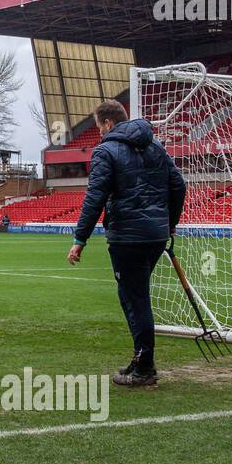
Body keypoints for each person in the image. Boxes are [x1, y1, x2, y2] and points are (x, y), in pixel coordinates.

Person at [68, 100, 186, 387]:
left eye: (99, 127)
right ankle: (140, 358)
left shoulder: (106, 150)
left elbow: (95, 196)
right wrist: (169, 222)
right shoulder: (155, 146)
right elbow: (179, 185)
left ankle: (145, 367)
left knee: (135, 299)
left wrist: (79, 238)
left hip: (128, 236)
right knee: (133, 296)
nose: (98, 133)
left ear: (108, 123)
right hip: (156, 235)